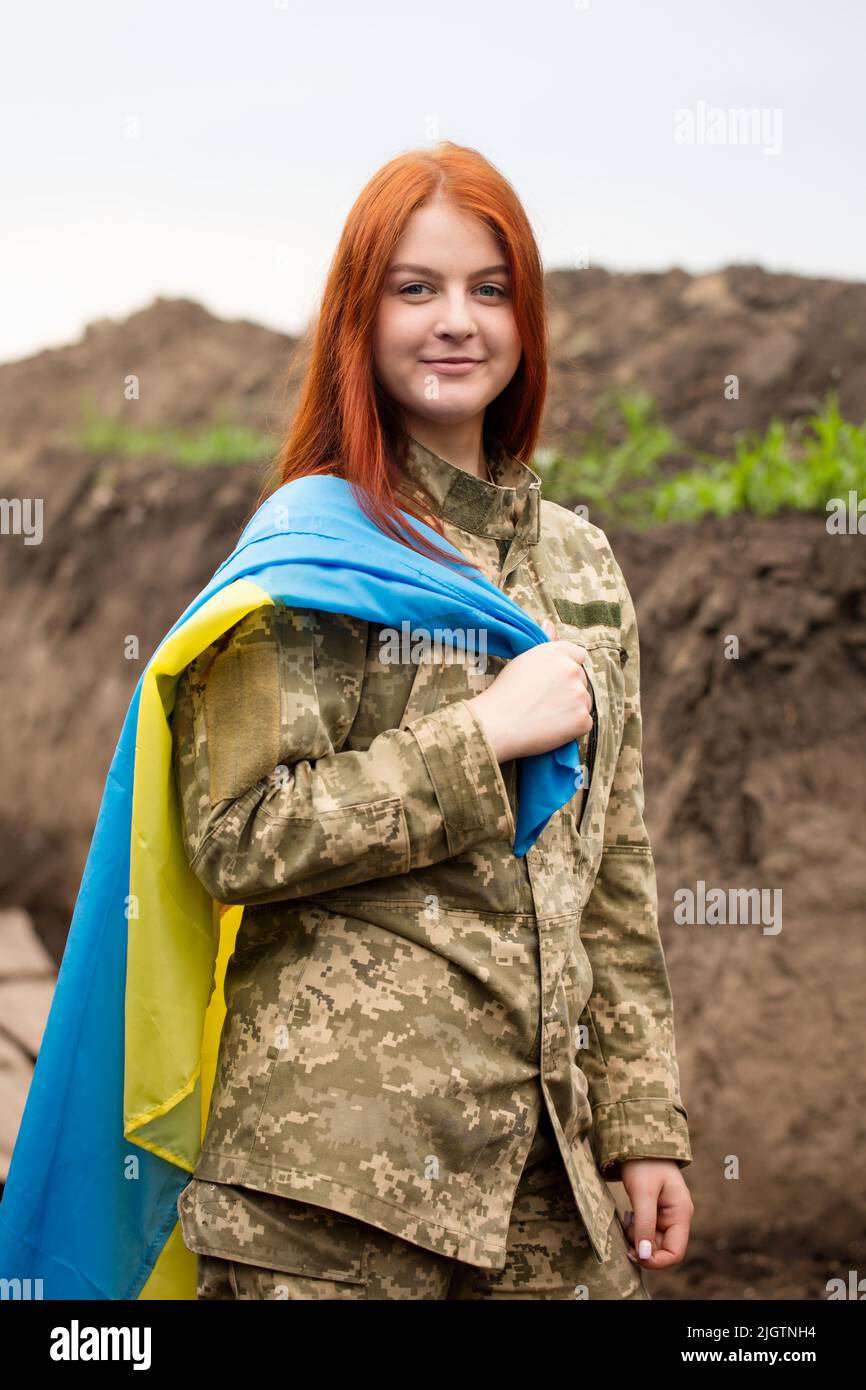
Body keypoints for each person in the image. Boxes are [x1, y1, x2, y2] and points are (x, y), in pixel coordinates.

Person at [171, 141, 694, 1300]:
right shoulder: (312, 554)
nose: (455, 321)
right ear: (360, 315)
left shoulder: (581, 567)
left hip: (545, 1204)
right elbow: (237, 835)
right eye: (415, 289)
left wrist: (641, 1119)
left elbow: (613, 864)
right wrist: (483, 737)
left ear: (526, 319)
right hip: (330, 1202)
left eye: (487, 288)